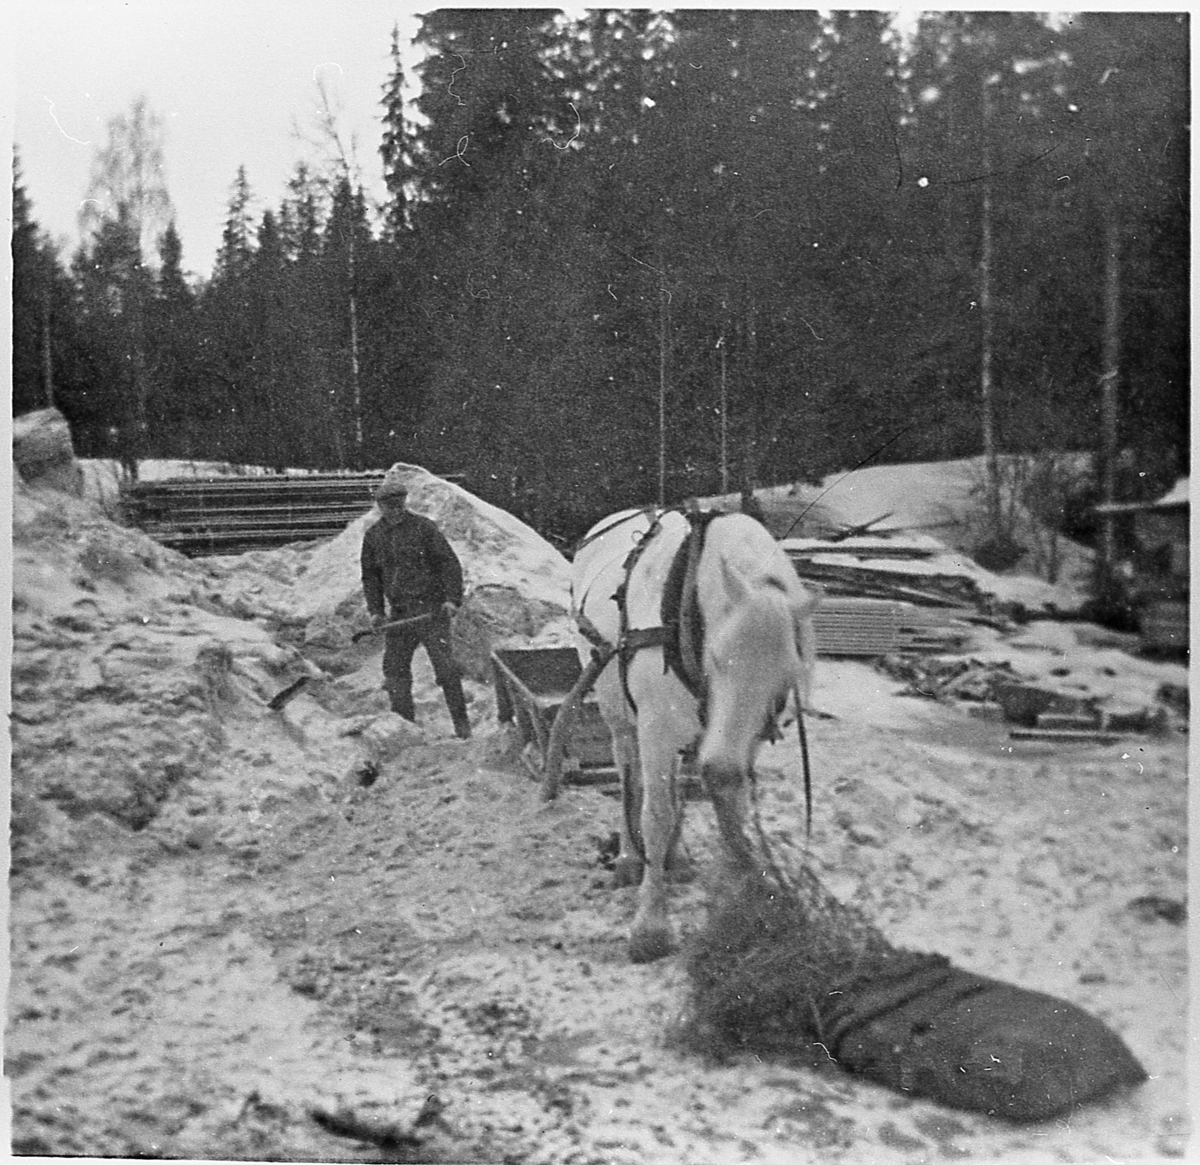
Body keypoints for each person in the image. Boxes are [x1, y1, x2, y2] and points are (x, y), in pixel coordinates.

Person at [360, 477, 471, 738]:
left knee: (446, 671)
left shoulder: (424, 528)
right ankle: (405, 727)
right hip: (399, 614)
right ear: (380, 508)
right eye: (389, 507)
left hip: (431, 612)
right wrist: (376, 611)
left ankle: (463, 728)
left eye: (398, 505)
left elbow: (449, 564)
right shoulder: (374, 536)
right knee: (395, 671)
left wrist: (452, 599)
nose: (395, 511)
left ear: (404, 503)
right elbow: (370, 577)